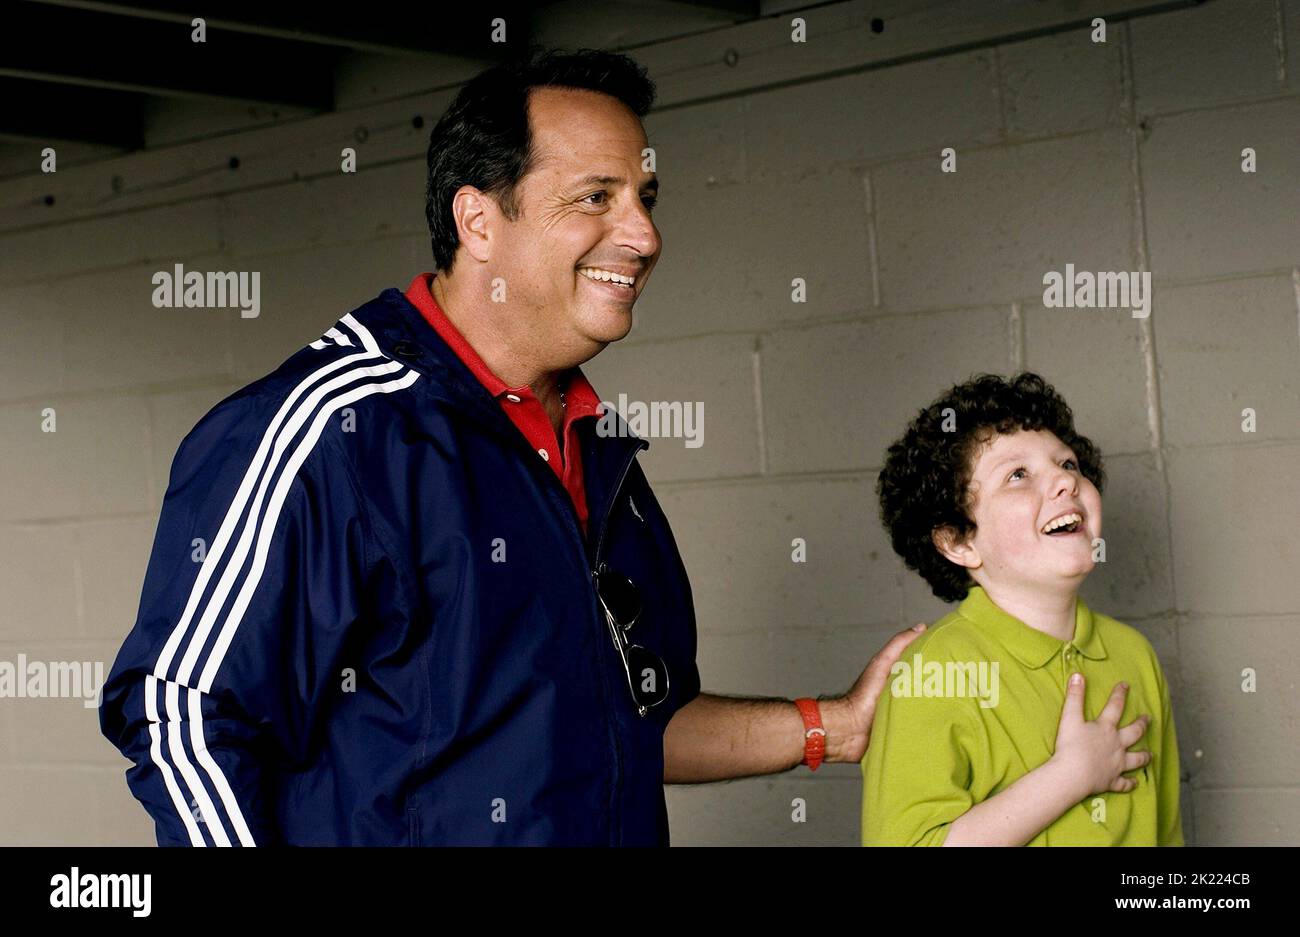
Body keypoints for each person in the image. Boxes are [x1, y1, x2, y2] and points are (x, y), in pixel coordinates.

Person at [98, 46, 925, 846]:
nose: (643, 234)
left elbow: (627, 721)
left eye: (646, 195)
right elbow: (184, 719)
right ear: (478, 220)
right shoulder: (333, 429)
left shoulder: (596, 452)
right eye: (596, 196)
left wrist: (834, 727)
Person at [862, 372, 1184, 846]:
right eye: (1018, 475)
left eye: (1068, 464)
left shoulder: (1135, 654)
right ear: (958, 541)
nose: (1063, 481)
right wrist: (1071, 776)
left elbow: (1167, 837)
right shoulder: (931, 672)